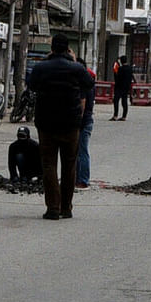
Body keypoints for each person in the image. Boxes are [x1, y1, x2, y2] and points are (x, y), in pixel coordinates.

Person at [28, 35, 95, 220]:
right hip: (71, 124)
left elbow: (31, 85)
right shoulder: (76, 68)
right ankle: (66, 207)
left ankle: (53, 208)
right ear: (68, 49)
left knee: (48, 165)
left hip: (46, 123)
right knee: (69, 165)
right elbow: (89, 84)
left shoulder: (42, 67)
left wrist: (46, 60)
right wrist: (74, 62)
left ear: (52, 48)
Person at [75, 64, 97, 189]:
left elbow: (82, 106)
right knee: (79, 151)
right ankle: (78, 178)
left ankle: (83, 179)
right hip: (87, 121)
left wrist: (78, 122)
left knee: (82, 151)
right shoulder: (89, 84)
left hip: (84, 122)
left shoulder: (84, 86)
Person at [111, 55, 135, 120]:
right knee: (124, 101)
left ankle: (115, 115)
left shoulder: (120, 69)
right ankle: (124, 116)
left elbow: (117, 78)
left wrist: (115, 73)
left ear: (121, 61)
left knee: (116, 101)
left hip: (119, 87)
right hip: (126, 87)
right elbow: (132, 77)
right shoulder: (130, 68)